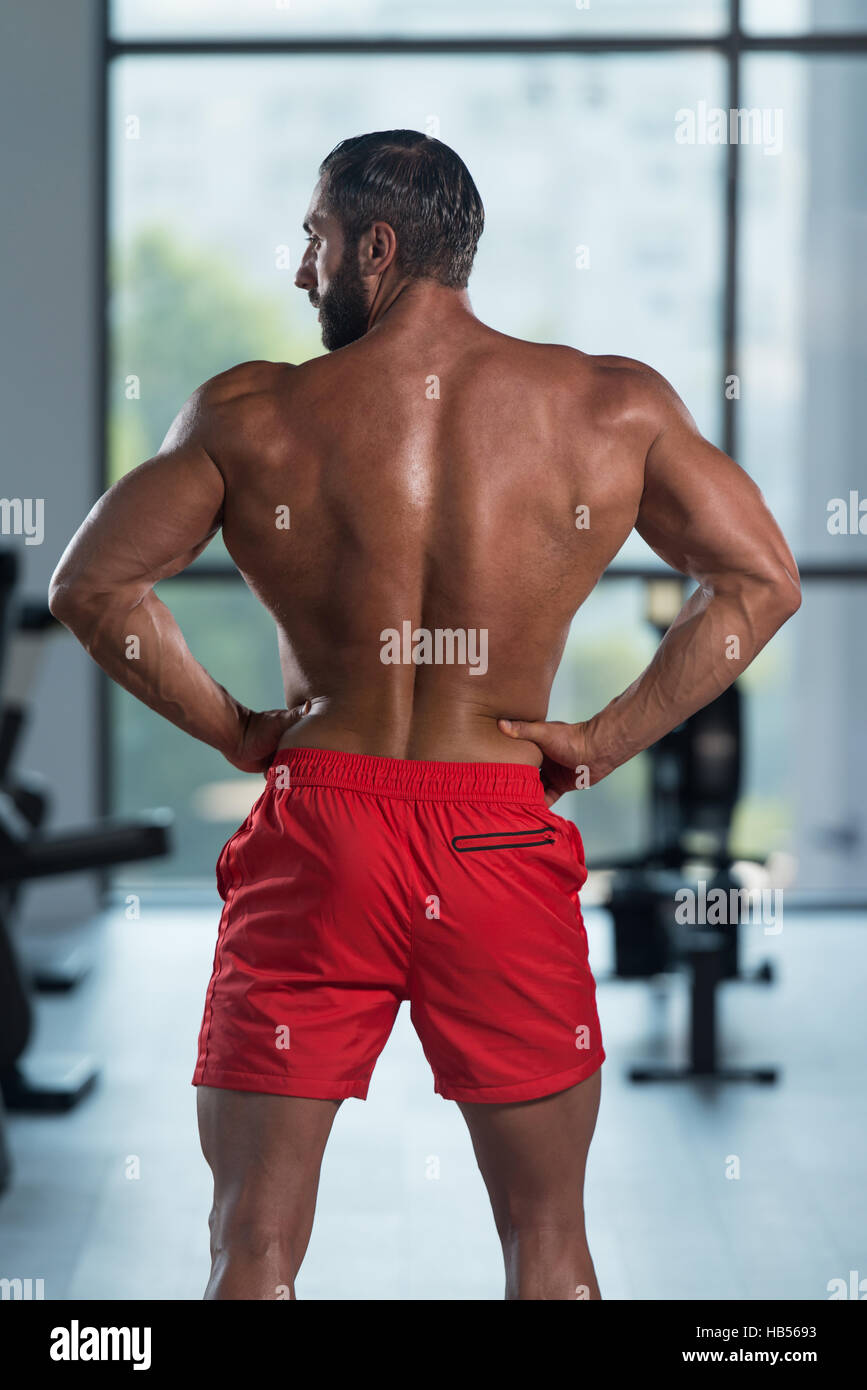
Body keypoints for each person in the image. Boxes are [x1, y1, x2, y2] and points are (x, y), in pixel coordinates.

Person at [48, 130, 800, 1300]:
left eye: (315, 239)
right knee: (549, 1247)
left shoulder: (251, 414)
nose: (304, 271)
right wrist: (599, 742)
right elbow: (763, 582)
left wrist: (240, 731)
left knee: (251, 1243)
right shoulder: (608, 406)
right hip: (496, 835)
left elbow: (91, 585)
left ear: (376, 246)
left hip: (322, 833)